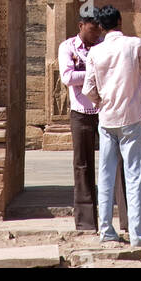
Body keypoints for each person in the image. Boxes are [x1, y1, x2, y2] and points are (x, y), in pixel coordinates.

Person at [83, 5, 141, 247]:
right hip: (130, 117)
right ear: (119, 21)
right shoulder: (133, 45)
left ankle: (106, 230)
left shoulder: (95, 52)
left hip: (106, 118)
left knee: (106, 175)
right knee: (134, 174)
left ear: (101, 26)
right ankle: (139, 233)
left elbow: (88, 89)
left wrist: (101, 101)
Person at [58, 14, 102, 232]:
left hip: (104, 110)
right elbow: (67, 77)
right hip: (81, 111)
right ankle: (86, 221)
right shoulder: (67, 47)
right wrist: (95, 74)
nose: (96, 34)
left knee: (117, 162)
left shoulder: (102, 46)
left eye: (98, 31)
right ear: (81, 26)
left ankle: (125, 219)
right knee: (82, 164)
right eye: (92, 30)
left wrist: (83, 74)